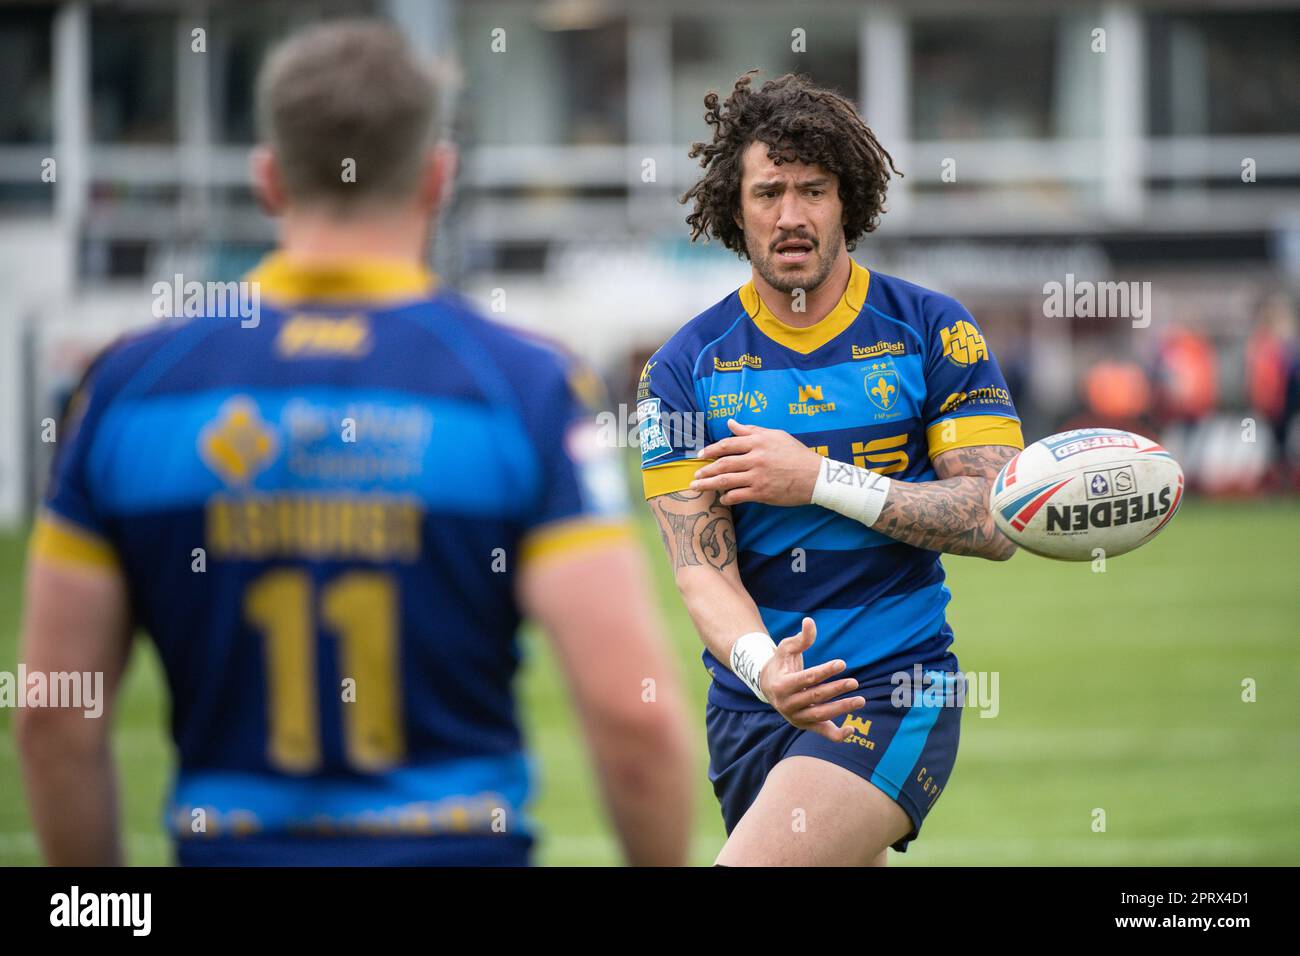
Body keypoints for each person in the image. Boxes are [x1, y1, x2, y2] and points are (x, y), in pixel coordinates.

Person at [18, 20, 692, 867]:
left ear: (267, 179)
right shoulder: (522, 386)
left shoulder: (130, 388)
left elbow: (49, 713)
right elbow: (633, 718)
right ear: (438, 177)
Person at [638, 72, 1023, 866]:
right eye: (768, 192)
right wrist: (761, 666)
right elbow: (698, 570)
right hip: (752, 706)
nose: (790, 216)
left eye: (812, 190)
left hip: (891, 686)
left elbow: (994, 520)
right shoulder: (682, 369)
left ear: (849, 199)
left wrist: (816, 478)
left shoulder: (932, 332)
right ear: (732, 208)